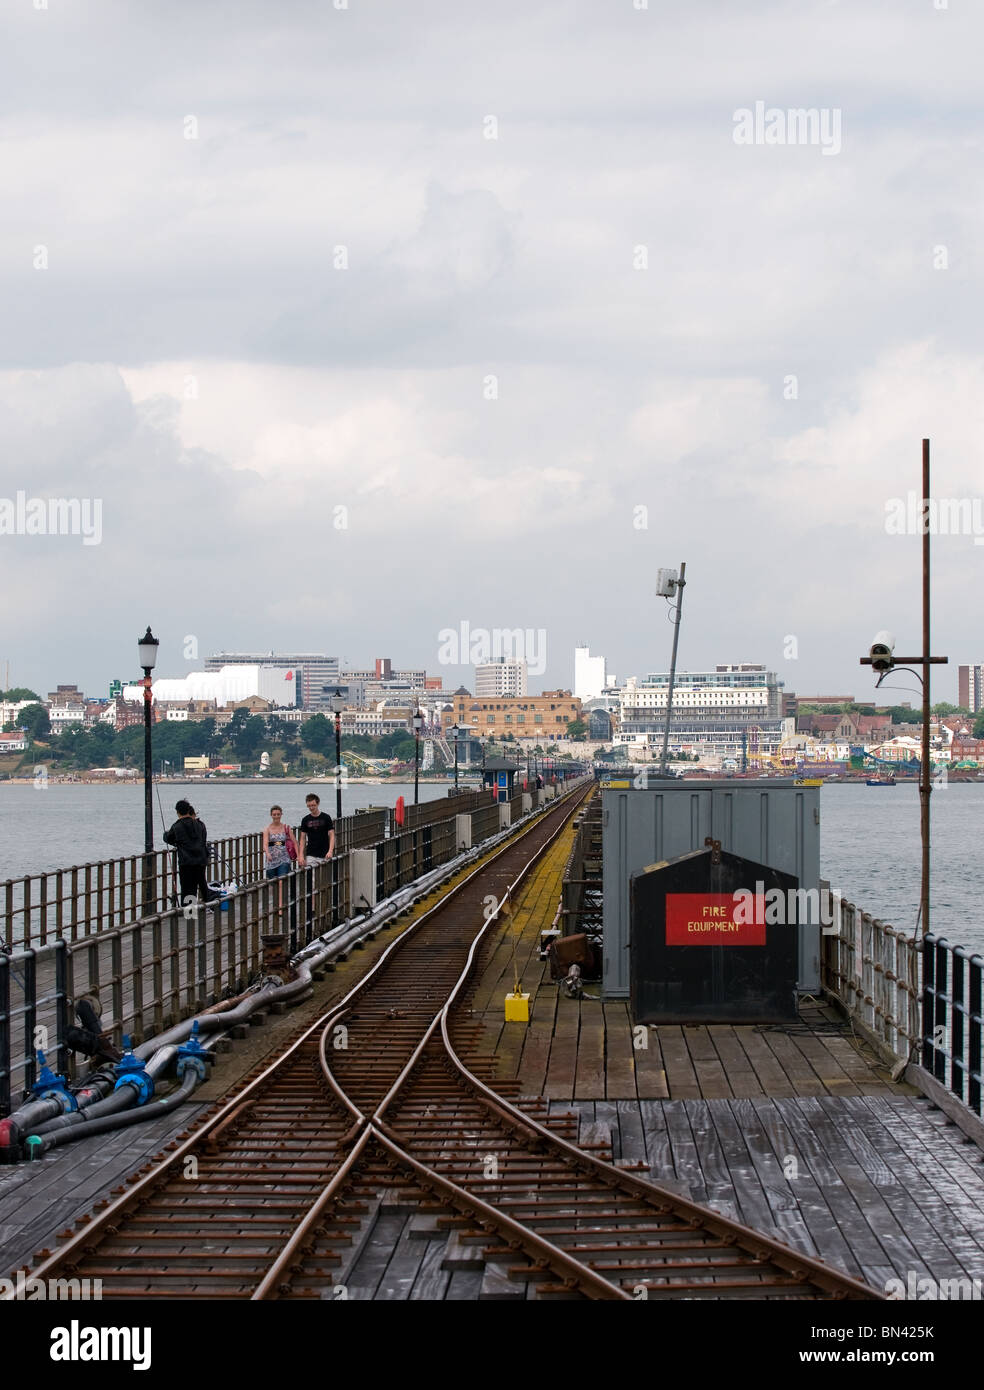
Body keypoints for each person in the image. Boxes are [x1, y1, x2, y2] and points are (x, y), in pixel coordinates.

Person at [163, 800, 220, 904]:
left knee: (187, 888)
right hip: (201, 860)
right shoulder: (200, 825)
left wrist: (165, 835)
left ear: (178, 812)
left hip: (186, 862)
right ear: (188, 810)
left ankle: (189, 913)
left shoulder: (177, 826)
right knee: (202, 883)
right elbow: (203, 839)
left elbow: (169, 838)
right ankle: (208, 906)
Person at [298, 793, 335, 868]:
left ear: (318, 804)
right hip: (311, 853)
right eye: (309, 806)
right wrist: (301, 855)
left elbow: (332, 835)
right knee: (312, 878)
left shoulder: (326, 817)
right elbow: (302, 838)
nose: (311, 808)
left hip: (325, 853)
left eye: (313, 805)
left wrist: (330, 851)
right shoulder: (305, 820)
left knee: (325, 877)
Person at [263, 805, 296, 879]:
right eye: (274, 814)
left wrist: (299, 856)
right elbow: (265, 844)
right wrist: (267, 853)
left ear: (281, 814)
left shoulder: (286, 827)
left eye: (278, 814)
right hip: (271, 860)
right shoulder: (267, 829)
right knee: (272, 882)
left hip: (284, 858)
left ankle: (281, 891)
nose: (276, 816)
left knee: (281, 880)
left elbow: (295, 842)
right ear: (271, 815)